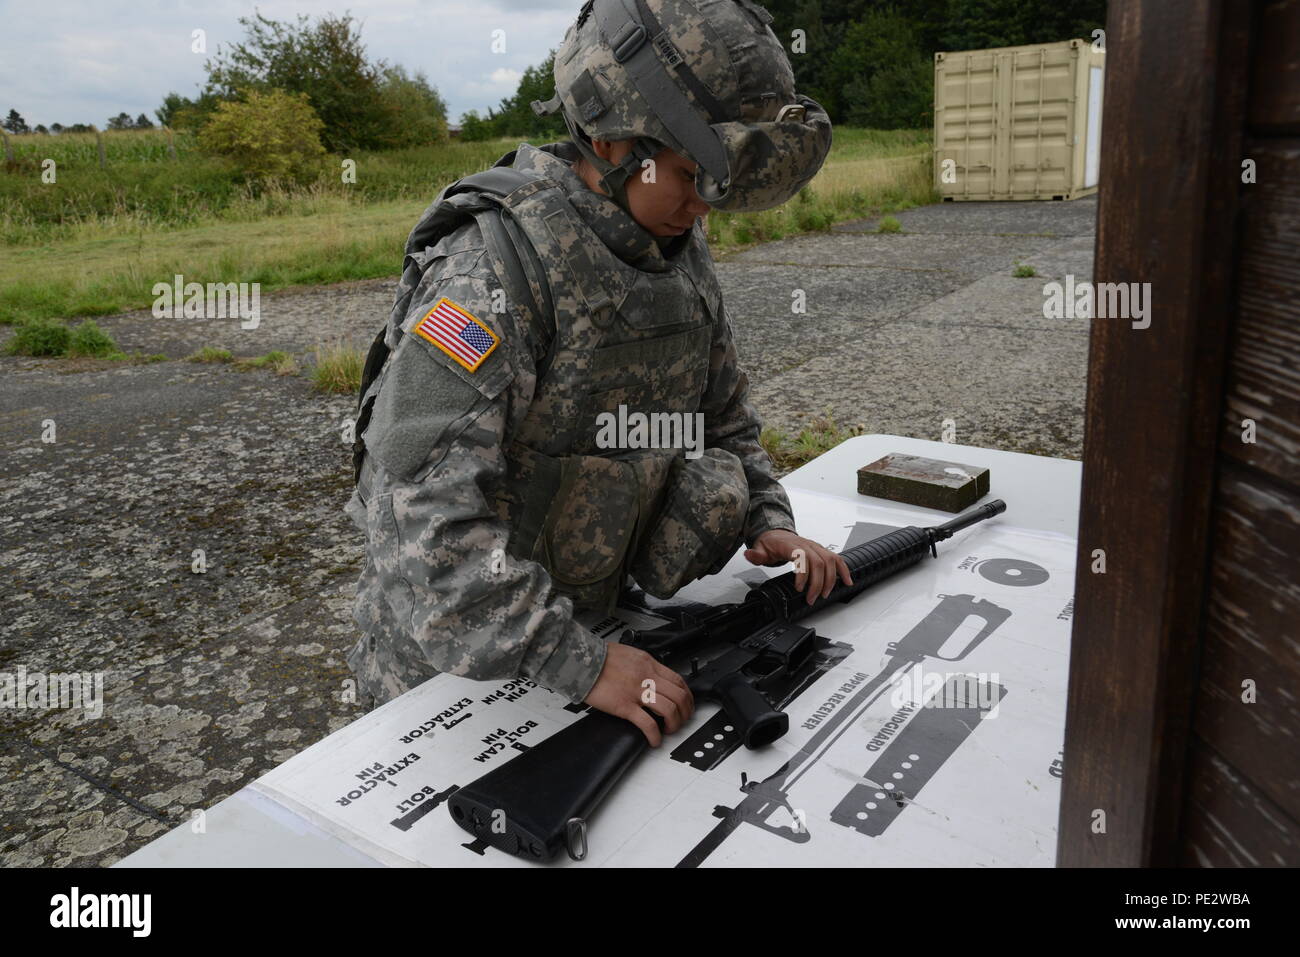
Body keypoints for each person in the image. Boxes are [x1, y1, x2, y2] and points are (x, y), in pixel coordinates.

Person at [346, 0, 848, 745]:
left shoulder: (669, 246)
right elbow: (421, 522)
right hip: (448, 689)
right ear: (614, 138)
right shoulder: (489, 270)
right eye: (688, 175)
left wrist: (767, 517)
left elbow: (722, 416)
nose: (704, 209)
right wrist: (578, 660)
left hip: (596, 642)